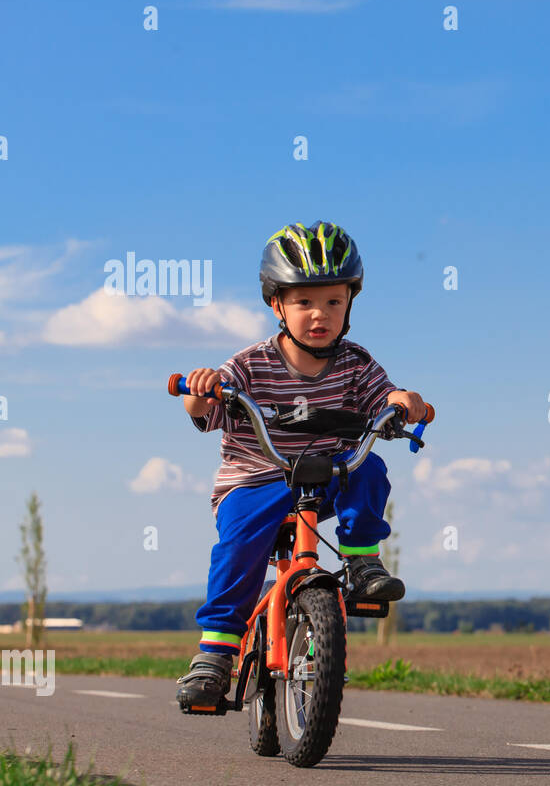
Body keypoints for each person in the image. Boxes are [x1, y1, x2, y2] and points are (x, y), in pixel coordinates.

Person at [175, 221, 427, 713]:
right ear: (277, 305)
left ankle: (361, 561)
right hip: (256, 481)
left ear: (350, 304)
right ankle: (216, 652)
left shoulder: (356, 363)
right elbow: (206, 409)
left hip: (326, 476)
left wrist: (403, 400)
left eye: (333, 302)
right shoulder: (251, 364)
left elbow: (385, 397)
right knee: (240, 545)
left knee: (370, 469)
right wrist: (201, 394)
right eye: (304, 302)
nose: (320, 315)